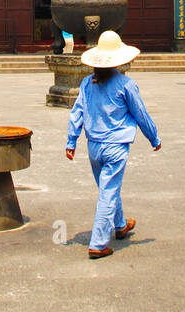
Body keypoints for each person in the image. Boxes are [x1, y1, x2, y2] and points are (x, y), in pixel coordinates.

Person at [65, 30, 161, 259]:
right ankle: (98, 243)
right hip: (116, 147)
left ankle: (119, 225)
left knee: (107, 187)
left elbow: (76, 112)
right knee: (108, 191)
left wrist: (71, 141)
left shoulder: (87, 83)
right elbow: (140, 114)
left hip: (94, 147)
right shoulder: (126, 84)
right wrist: (154, 138)